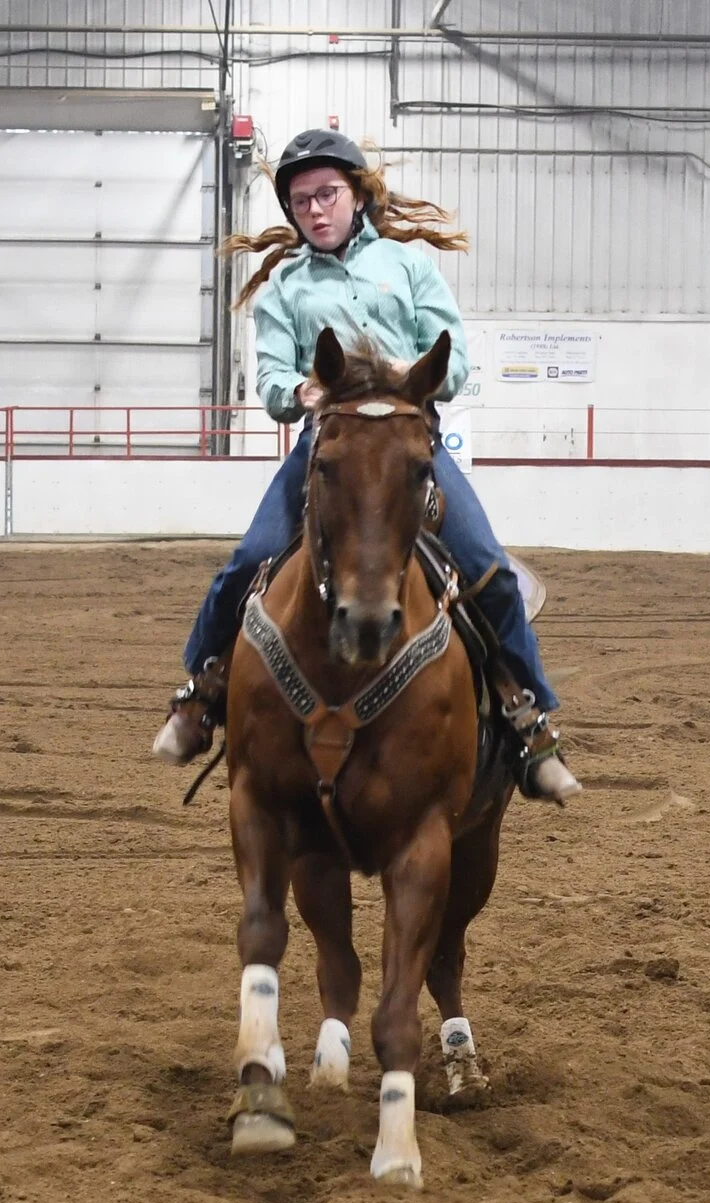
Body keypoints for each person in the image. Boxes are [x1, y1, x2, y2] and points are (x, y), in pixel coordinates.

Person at [152, 129, 580, 802]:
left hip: (411, 445)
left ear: (357, 195)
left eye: (327, 194)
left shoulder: (409, 268)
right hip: (328, 449)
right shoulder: (284, 289)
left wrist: (409, 380)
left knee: (489, 570)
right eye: (301, 202)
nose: (315, 210)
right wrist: (301, 390)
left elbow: (455, 359)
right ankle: (200, 694)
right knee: (249, 559)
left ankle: (530, 721)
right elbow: (268, 380)